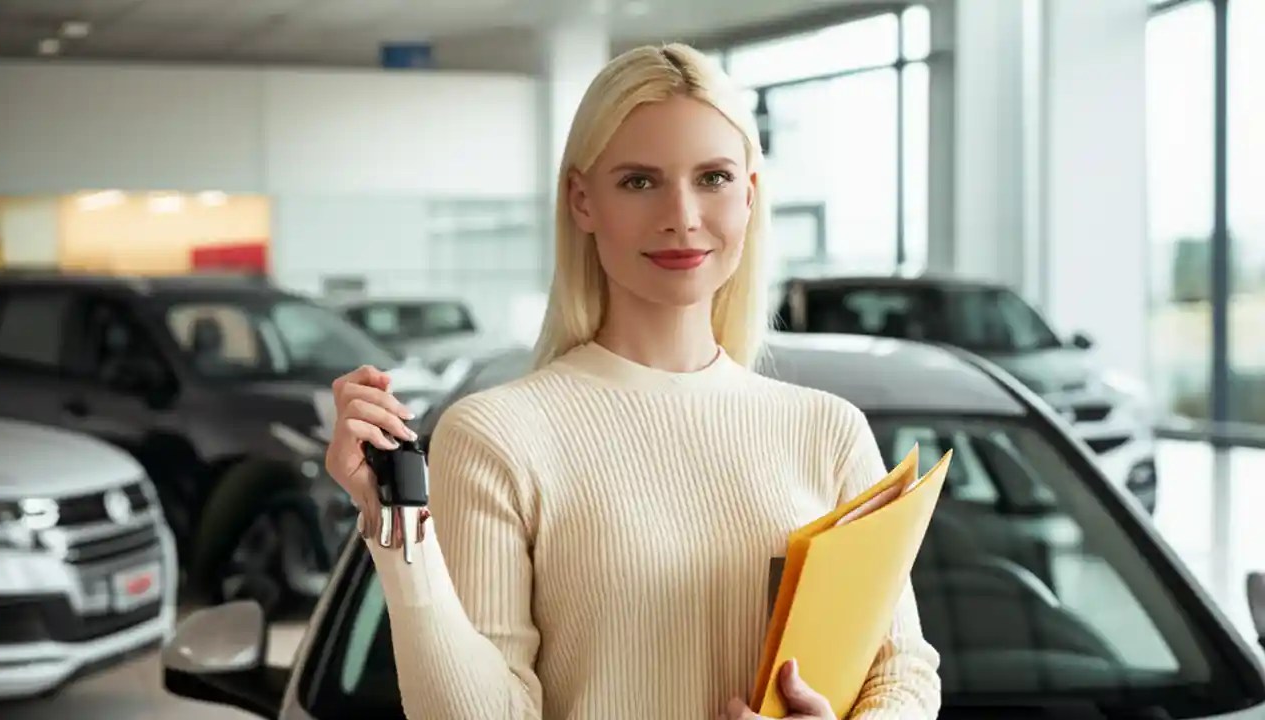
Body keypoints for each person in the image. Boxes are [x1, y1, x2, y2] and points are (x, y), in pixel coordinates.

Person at [324, 42, 941, 720]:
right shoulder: (499, 434)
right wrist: (398, 535)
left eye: (712, 178)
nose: (682, 215)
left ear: (750, 195)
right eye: (640, 181)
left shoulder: (828, 430)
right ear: (582, 200)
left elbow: (902, 671)